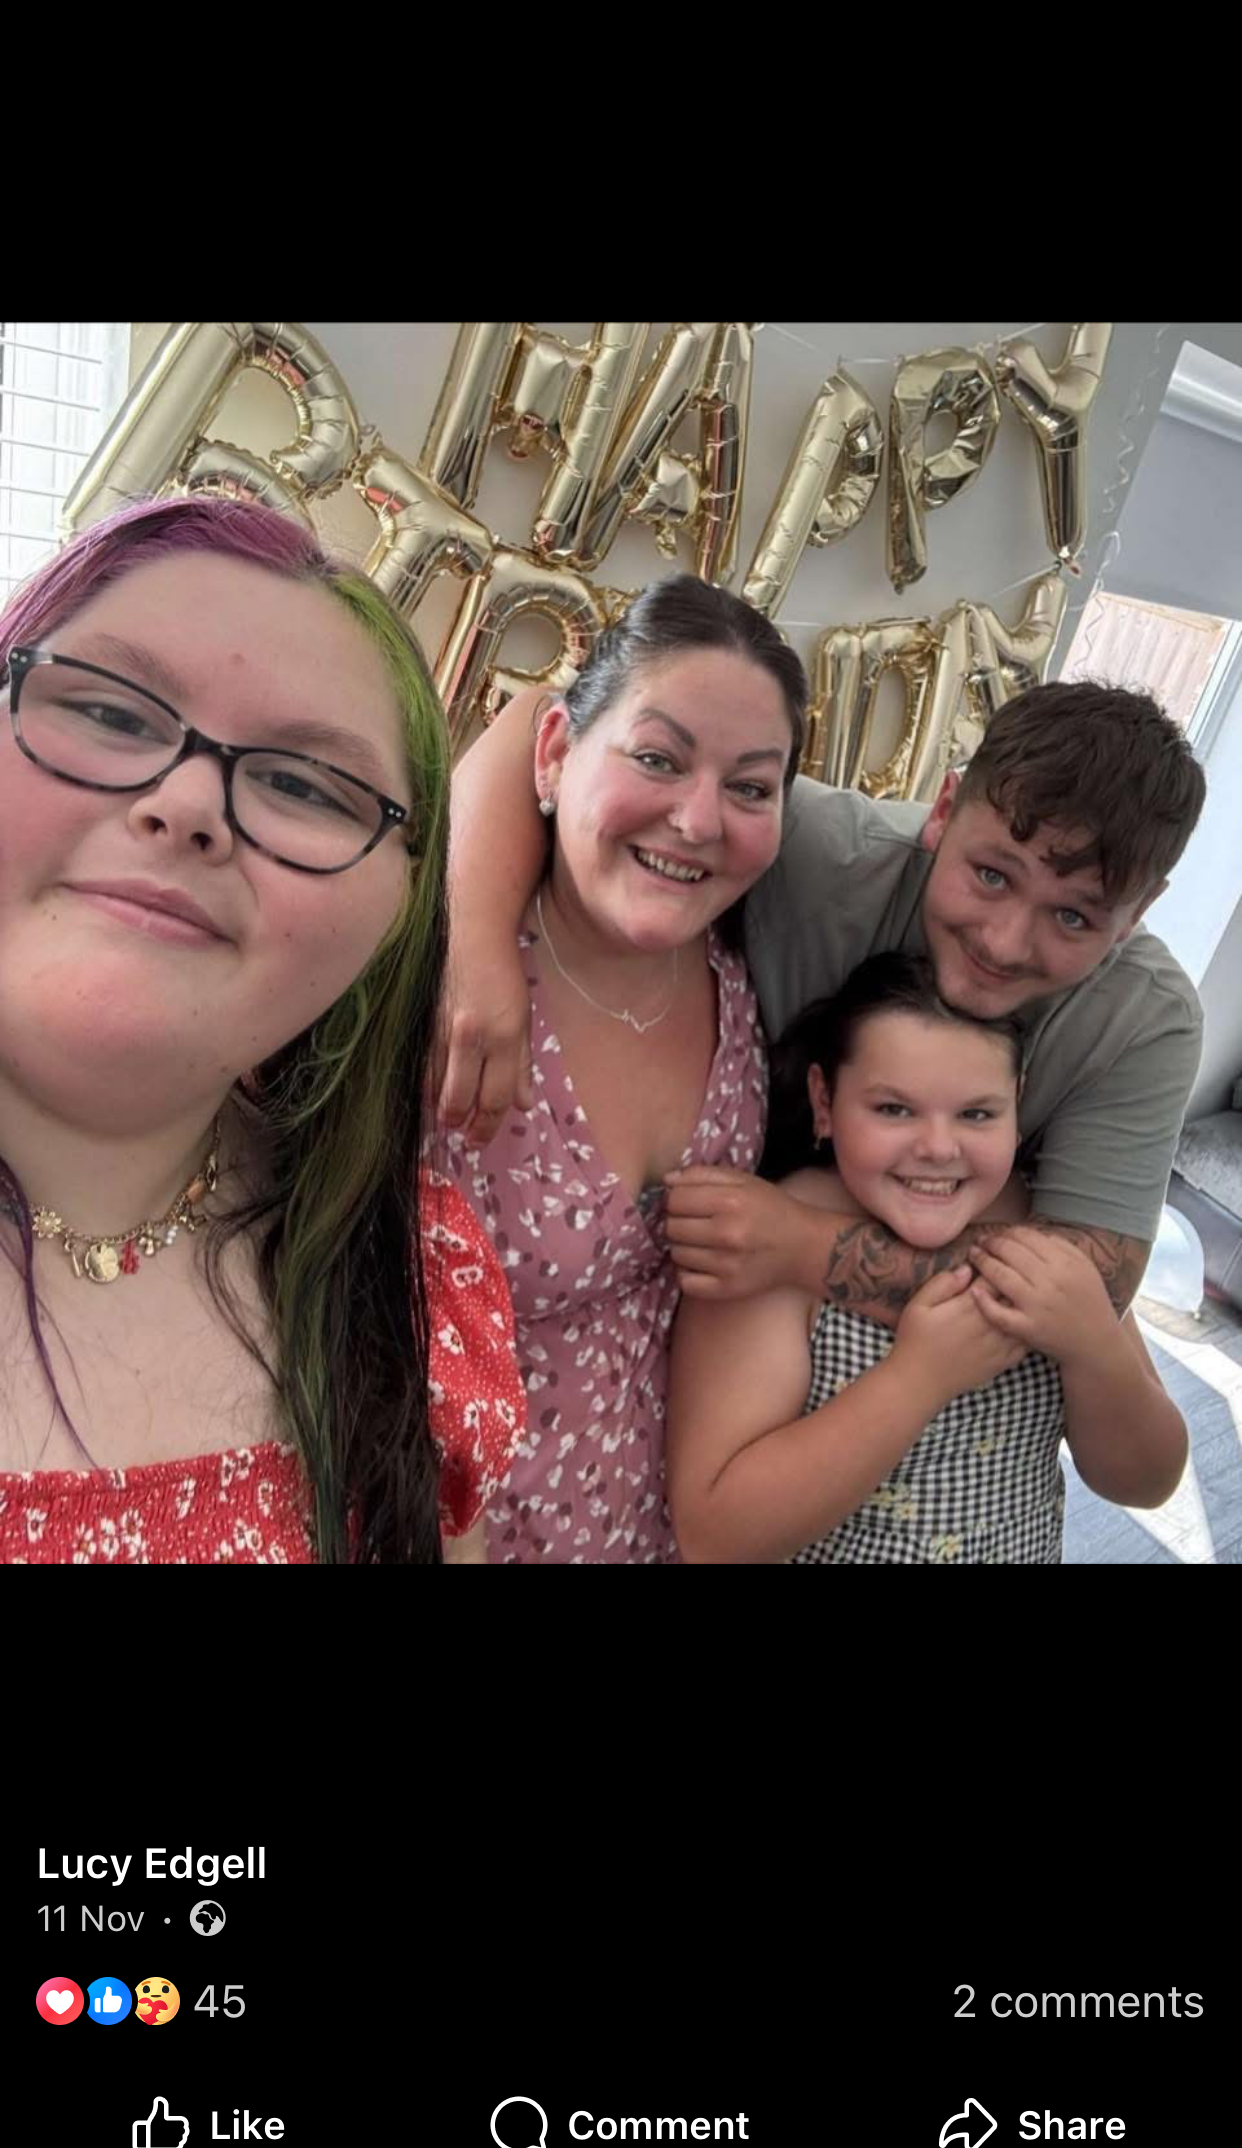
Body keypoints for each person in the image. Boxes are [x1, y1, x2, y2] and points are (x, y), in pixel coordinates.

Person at [0, 494, 524, 1564]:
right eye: (109, 713)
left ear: (398, 912)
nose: (188, 803)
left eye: (301, 784)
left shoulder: (416, 1282)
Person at [442, 671, 1207, 1332]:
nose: (1006, 943)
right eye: (991, 875)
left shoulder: (1147, 1021)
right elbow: (549, 714)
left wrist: (801, 1247)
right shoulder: (821, 848)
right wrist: (472, 948)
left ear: (1138, 913)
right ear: (943, 809)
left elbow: (1095, 1280)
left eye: (1073, 917)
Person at [436, 574, 808, 1561]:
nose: (698, 820)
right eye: (657, 758)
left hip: (661, 1528)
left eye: (750, 787)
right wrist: (468, 940)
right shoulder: (443, 993)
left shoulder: (753, 971)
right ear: (557, 756)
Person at [664, 954, 1188, 1562]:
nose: (938, 1148)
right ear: (824, 1100)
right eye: (894, 1109)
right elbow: (716, 1536)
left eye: (976, 1113)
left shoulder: (1048, 1228)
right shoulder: (766, 1242)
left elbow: (1146, 1482)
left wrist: (1095, 1346)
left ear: (1018, 1104)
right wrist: (917, 1380)